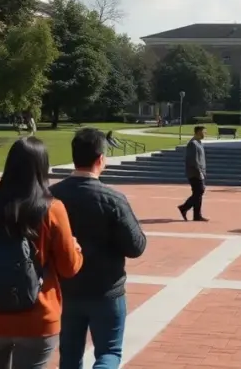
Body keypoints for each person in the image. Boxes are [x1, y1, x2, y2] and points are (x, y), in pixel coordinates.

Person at [0, 136, 83, 369]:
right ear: (43, 167)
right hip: (37, 315)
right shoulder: (52, 209)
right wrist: (76, 249)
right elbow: (68, 268)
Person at [50, 128, 147, 369]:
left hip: (66, 288)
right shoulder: (113, 199)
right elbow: (136, 246)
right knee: (109, 352)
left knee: (69, 355)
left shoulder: (51, 196)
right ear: (100, 159)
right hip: (106, 289)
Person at [179, 125, 208, 221]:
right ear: (198, 132)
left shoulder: (199, 143)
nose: (205, 134)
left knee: (198, 193)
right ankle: (184, 207)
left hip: (199, 172)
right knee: (200, 191)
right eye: (204, 132)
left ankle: (197, 215)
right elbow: (193, 160)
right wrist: (199, 171)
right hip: (194, 172)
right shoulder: (193, 144)